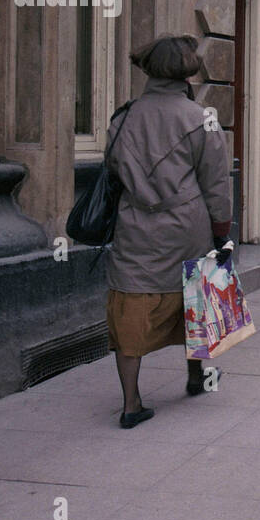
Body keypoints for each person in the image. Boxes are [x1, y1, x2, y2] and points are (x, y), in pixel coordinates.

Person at [105, 35, 232, 430]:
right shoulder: (201, 118)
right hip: (187, 226)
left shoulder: (123, 117)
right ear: (188, 72)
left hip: (135, 226)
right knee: (195, 298)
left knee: (130, 303)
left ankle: (131, 402)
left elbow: (113, 170)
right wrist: (221, 230)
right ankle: (195, 376)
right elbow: (216, 183)